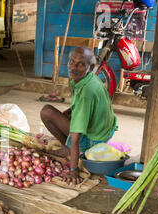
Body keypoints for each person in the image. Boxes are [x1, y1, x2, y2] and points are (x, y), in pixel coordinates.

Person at [40, 46, 118, 185]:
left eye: (81, 64)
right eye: (71, 62)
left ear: (91, 66)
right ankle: (70, 147)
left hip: (94, 141)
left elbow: (75, 138)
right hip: (104, 129)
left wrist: (73, 170)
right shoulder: (90, 77)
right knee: (61, 115)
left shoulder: (86, 94)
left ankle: (71, 150)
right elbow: (87, 106)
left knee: (47, 112)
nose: (73, 67)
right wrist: (72, 110)